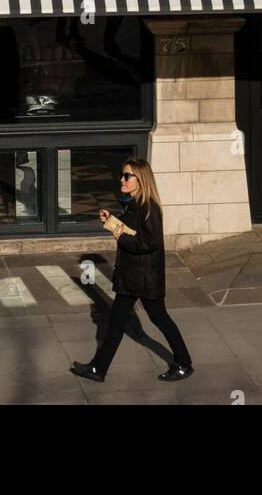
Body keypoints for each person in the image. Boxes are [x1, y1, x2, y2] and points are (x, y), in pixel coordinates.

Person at [70, 158, 194, 383]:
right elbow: (131, 232)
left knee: (160, 318)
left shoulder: (149, 209)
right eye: (122, 175)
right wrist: (112, 223)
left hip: (145, 278)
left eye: (127, 176)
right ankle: (99, 369)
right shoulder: (134, 204)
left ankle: (184, 363)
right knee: (116, 321)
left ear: (140, 180)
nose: (122, 179)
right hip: (132, 276)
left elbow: (149, 242)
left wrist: (121, 236)